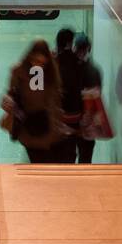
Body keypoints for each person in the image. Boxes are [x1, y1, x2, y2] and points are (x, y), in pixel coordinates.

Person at [1, 40, 66, 164]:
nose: (38, 64)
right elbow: (11, 93)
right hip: (29, 127)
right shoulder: (19, 71)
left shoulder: (52, 72)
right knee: (38, 160)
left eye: (42, 62)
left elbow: (56, 99)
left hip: (48, 127)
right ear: (30, 57)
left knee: (44, 162)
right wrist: (8, 102)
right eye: (35, 61)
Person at [73, 33, 109, 164]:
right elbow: (96, 96)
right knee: (85, 157)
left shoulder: (69, 69)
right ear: (88, 48)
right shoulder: (94, 70)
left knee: (68, 158)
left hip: (71, 120)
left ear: (74, 48)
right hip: (88, 123)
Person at [52, 28, 83, 163]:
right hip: (75, 114)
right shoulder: (78, 62)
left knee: (57, 146)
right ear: (71, 42)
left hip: (57, 114)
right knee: (71, 147)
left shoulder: (54, 62)